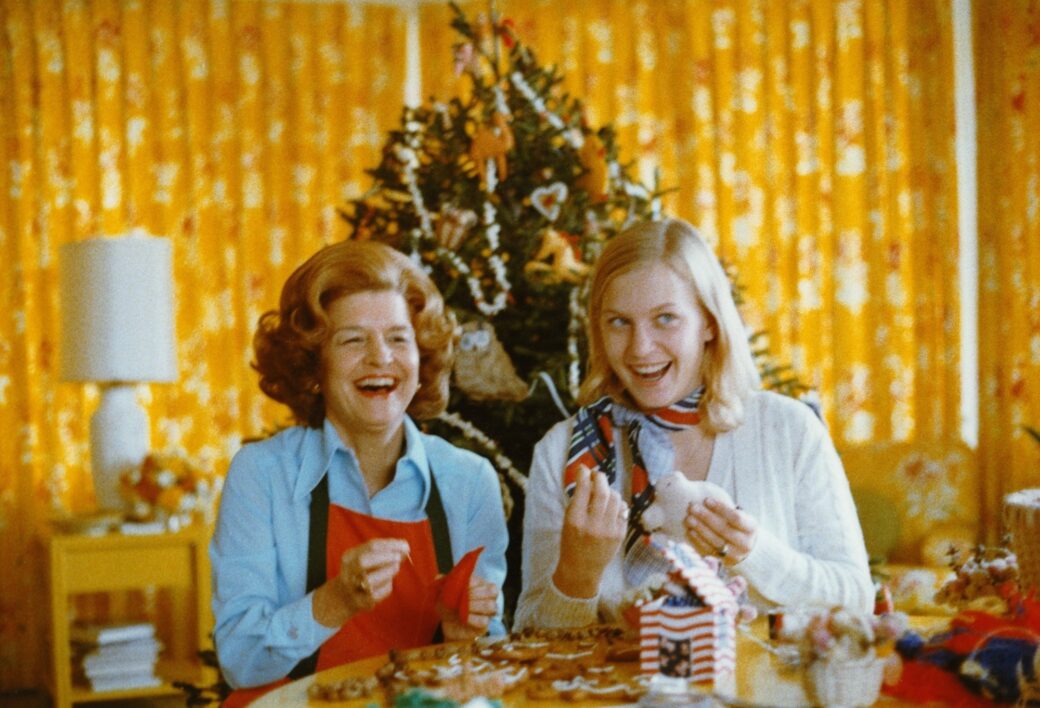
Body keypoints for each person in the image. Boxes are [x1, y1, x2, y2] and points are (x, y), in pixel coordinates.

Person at [514, 218, 872, 630]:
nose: (640, 348)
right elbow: (529, 637)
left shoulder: (789, 430)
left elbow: (856, 596)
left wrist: (754, 553)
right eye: (619, 322)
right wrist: (576, 577)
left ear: (709, 322)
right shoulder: (565, 451)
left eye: (665, 318)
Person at [210, 240, 508, 697]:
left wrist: (461, 637)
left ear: (420, 358)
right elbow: (239, 663)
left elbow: (488, 667)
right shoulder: (261, 475)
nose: (380, 358)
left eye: (397, 338)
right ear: (314, 364)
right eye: (353, 339)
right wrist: (333, 603)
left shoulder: (470, 481)